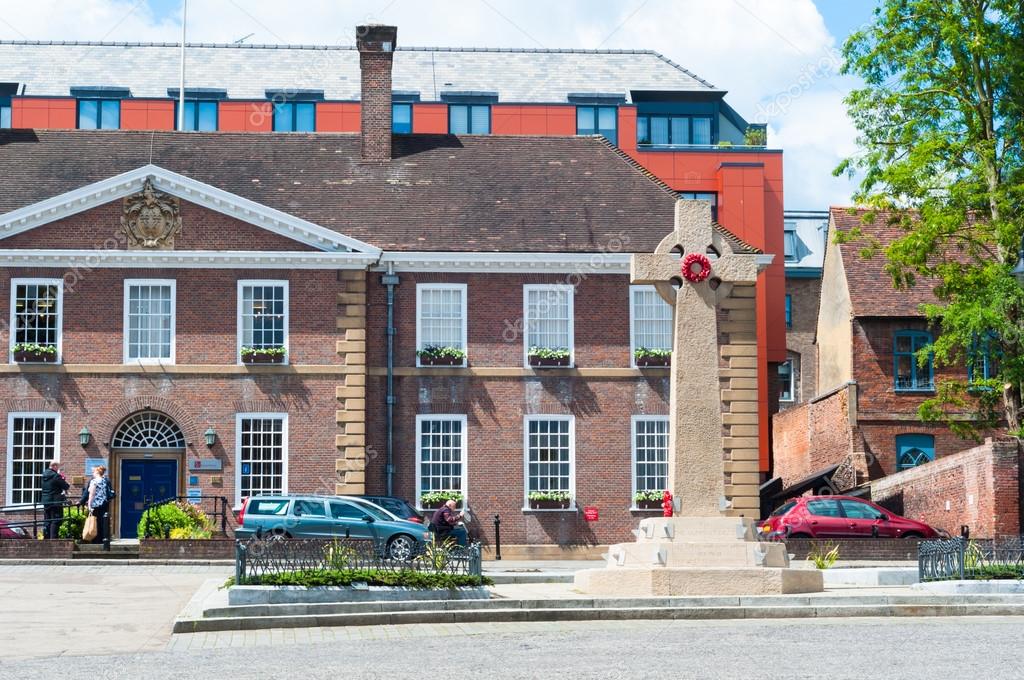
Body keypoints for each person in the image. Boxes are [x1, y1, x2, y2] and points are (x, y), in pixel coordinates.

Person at [40, 461, 69, 540]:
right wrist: (62, 479)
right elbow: (66, 486)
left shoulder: (44, 475)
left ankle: (46, 538)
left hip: (46, 501)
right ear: (54, 466)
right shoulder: (56, 476)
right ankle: (53, 540)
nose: (58, 468)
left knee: (47, 520)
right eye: (57, 467)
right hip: (55, 501)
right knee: (56, 520)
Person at [86, 465, 112, 544]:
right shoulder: (105, 480)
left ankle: (96, 540)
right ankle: (104, 539)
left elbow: (92, 494)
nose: (92, 473)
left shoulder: (94, 481)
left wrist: (89, 505)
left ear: (97, 472)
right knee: (103, 522)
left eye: (93, 472)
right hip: (104, 504)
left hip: (95, 505)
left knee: (95, 522)